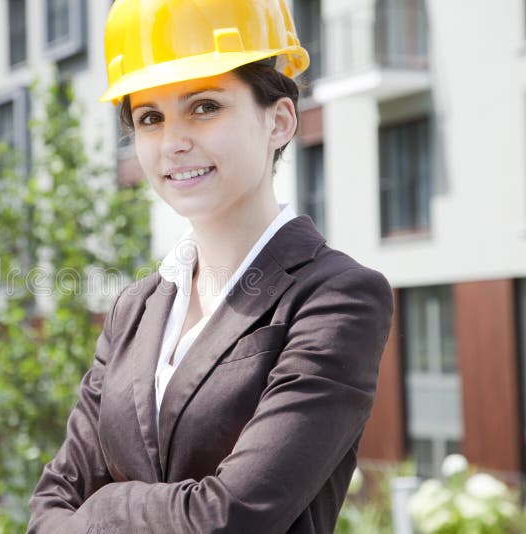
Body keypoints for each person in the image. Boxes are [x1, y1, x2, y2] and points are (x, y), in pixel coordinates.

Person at [28, 0, 394, 532]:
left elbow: (231, 517)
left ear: (279, 120)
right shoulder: (135, 309)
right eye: (150, 117)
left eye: (204, 106)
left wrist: (104, 507)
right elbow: (48, 508)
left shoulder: (335, 298)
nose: (174, 142)